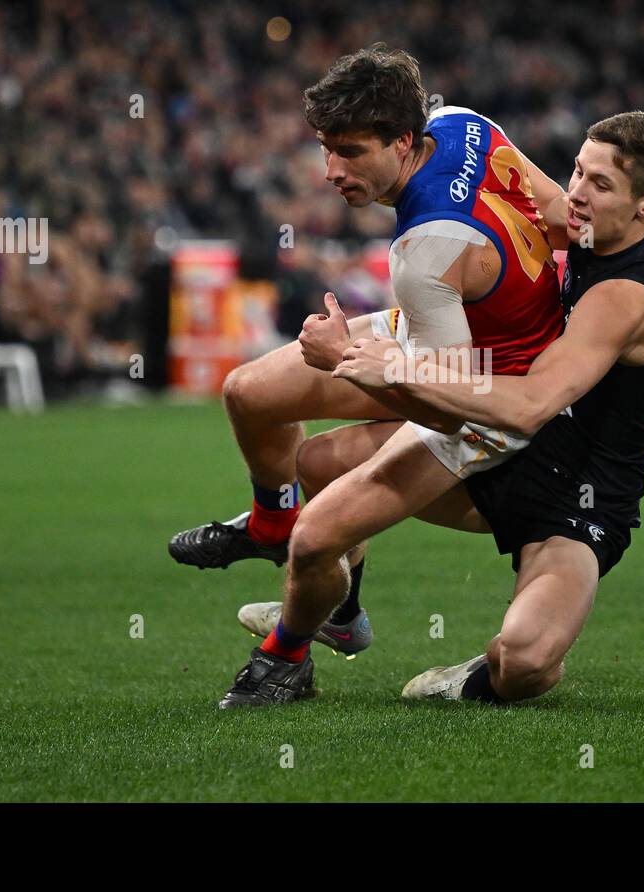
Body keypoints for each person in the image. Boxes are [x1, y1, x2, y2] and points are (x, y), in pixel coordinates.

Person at [163, 44, 569, 704]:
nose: (330, 170)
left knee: (319, 487)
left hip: (492, 388)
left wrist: (347, 361)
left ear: (403, 140)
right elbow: (558, 217)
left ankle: (291, 654)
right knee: (250, 393)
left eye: (350, 152)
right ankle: (272, 527)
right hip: (451, 331)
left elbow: (449, 408)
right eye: (326, 148)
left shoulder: (425, 248)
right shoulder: (466, 123)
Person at [297, 111, 644, 704]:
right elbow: (504, 196)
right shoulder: (603, 229)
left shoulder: (627, 296)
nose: (577, 196)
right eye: (577, 172)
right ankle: (331, 602)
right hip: (519, 454)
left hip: (580, 497)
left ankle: (462, 680)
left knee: (523, 663)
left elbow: (528, 405)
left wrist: (396, 366)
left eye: (599, 185)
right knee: (318, 460)